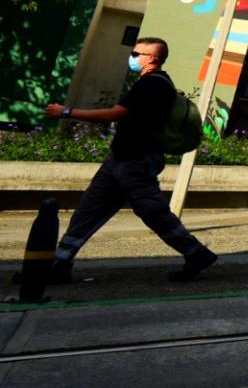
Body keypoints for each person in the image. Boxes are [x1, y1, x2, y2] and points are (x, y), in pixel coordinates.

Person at [42, 37, 219, 283]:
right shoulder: (148, 83)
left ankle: (196, 253)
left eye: (137, 54)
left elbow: (116, 114)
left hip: (136, 161)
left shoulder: (154, 85)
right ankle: (59, 264)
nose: (132, 57)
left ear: (153, 58)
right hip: (120, 158)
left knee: (153, 212)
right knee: (88, 211)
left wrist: (66, 112)